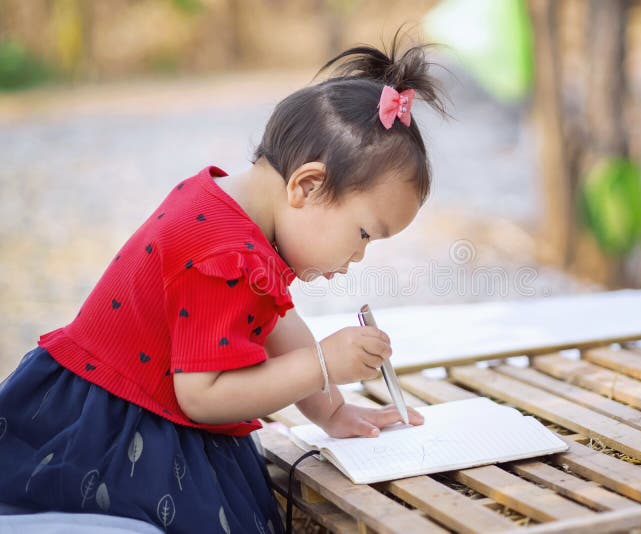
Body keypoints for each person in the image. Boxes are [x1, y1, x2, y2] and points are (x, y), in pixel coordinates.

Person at [0, 28, 449, 533]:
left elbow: (276, 319)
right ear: (307, 185)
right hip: (119, 436)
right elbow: (204, 396)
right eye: (364, 233)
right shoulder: (224, 252)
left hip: (124, 404)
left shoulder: (227, 207)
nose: (358, 256)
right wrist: (324, 364)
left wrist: (333, 411)